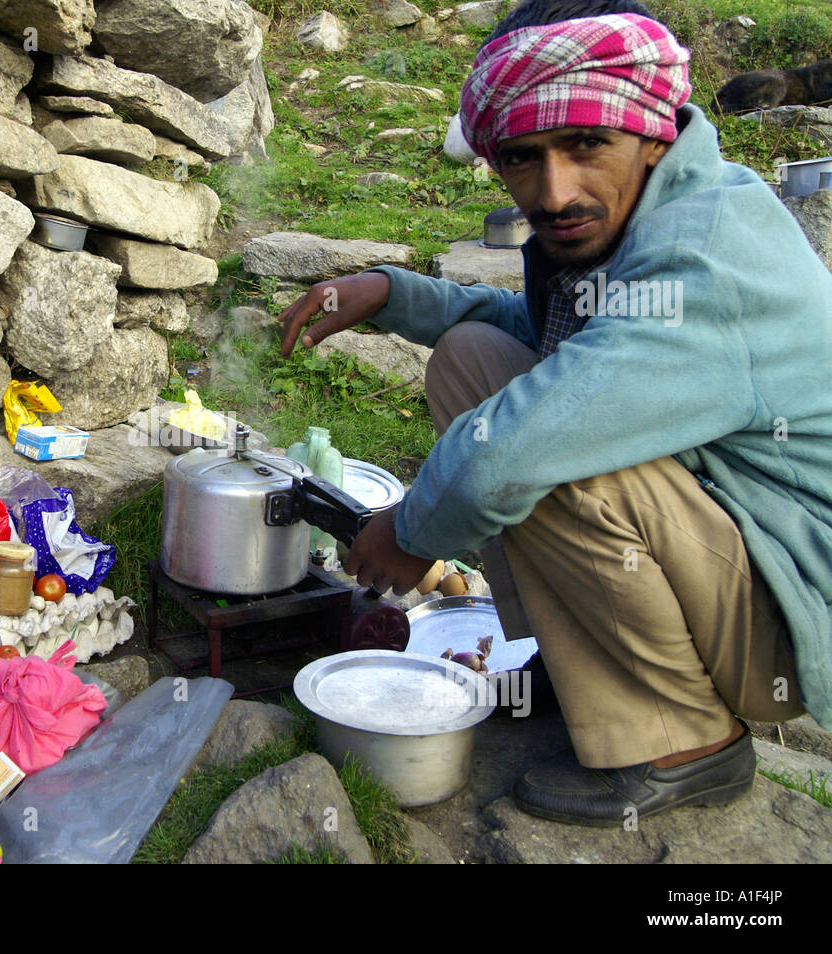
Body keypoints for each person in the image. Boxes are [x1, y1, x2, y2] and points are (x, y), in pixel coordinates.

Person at [278, 2, 832, 826]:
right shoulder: (634, 215)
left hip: (790, 604)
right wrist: (393, 293)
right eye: (521, 158)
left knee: (532, 451)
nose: (553, 192)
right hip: (724, 551)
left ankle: (687, 742)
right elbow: (539, 338)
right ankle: (586, 665)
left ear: (650, 131)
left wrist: (410, 533)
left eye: (585, 144)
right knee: (474, 361)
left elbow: (521, 448)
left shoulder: (702, 252)